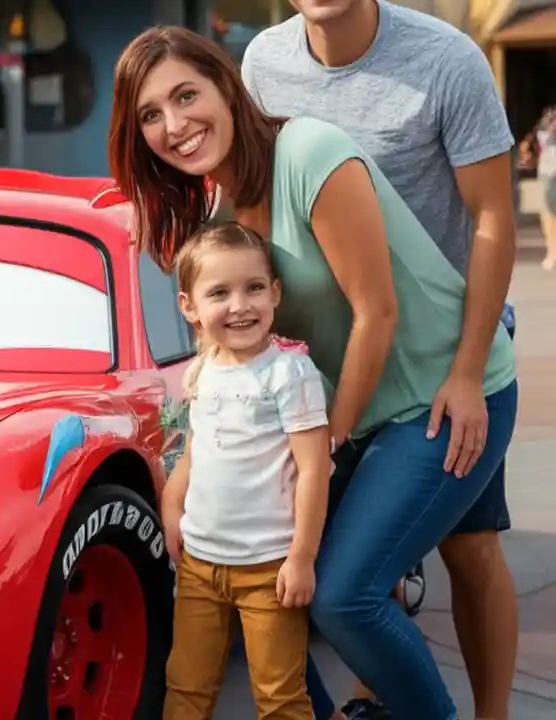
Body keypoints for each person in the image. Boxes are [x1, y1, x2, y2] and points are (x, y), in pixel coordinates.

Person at [108, 26, 518, 720]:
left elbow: (377, 313)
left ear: (226, 88)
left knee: (342, 595)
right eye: (151, 114)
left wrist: (327, 446)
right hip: (346, 413)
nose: (175, 125)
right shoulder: (222, 206)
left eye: (186, 95)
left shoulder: (311, 152)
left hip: (436, 395)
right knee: (266, 577)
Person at [241, 3, 521, 717]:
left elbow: (492, 216)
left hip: (443, 348)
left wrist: (464, 372)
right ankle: (373, 699)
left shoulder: (446, 59)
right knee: (362, 556)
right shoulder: (262, 65)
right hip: (341, 357)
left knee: (468, 545)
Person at [161, 221, 331, 720]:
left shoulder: (289, 373)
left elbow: (314, 468)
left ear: (275, 293)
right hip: (199, 568)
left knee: (279, 696)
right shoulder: (204, 368)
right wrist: (172, 507)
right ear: (189, 307)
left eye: (254, 288)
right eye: (220, 293)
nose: (240, 306)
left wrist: (302, 558)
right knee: (187, 685)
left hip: (268, 570)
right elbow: (196, 452)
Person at [533, 107, 556, 271]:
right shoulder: (544, 134)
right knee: (547, 217)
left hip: (549, 175)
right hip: (547, 175)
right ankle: (552, 252)